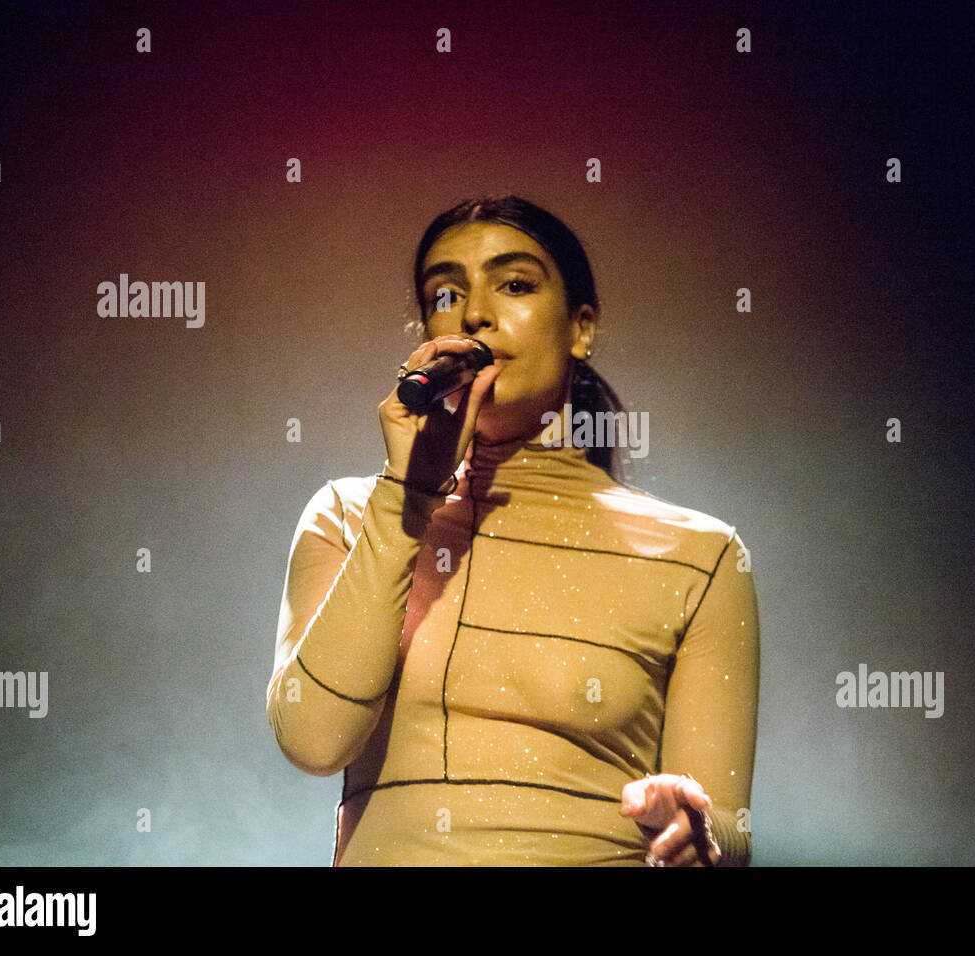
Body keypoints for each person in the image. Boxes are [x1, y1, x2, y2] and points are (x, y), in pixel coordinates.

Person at [266, 196, 759, 865]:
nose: (473, 313)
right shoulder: (348, 515)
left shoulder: (701, 558)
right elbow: (313, 740)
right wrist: (407, 500)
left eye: (516, 284)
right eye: (446, 293)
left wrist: (697, 828)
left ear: (581, 328)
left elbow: (729, 830)